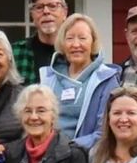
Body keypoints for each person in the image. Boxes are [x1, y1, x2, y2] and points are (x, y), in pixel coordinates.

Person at [44, 13, 113, 142]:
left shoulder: (106, 78)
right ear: (62, 43)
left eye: (82, 38)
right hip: (49, 151)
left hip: (87, 152)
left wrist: (71, 148)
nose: (76, 45)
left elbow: (104, 132)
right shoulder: (48, 78)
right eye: (70, 38)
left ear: (93, 42)